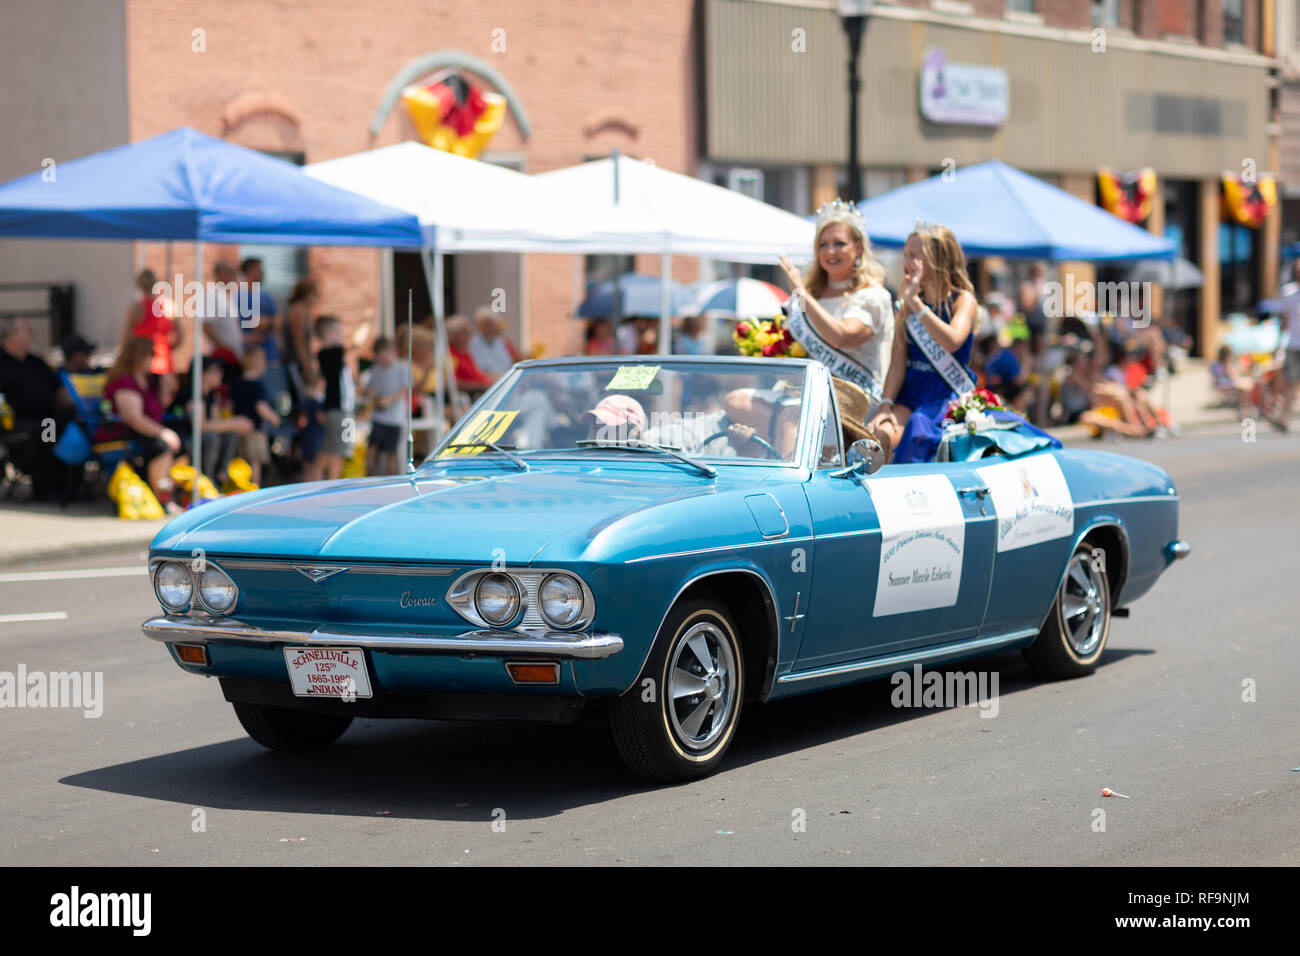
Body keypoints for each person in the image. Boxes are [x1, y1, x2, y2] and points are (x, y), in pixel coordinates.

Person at [867, 223, 979, 464]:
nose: (907, 262)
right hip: (911, 393)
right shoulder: (907, 301)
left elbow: (952, 341)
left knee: (919, 427)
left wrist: (915, 304)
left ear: (939, 260)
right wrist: (885, 406)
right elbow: (898, 363)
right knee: (878, 434)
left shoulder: (963, 299)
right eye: (905, 255)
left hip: (946, 392)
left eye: (914, 256)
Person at [777, 198, 894, 414]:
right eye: (823, 244)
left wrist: (800, 292)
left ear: (858, 247)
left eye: (839, 243)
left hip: (854, 400)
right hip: (809, 394)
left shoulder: (872, 296)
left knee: (789, 417)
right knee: (738, 401)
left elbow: (842, 338)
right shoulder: (812, 295)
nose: (830, 251)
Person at [99, 337, 182, 511]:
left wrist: (166, 388)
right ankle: (161, 497)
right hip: (124, 432)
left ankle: (169, 492)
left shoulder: (149, 381)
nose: (153, 359)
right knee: (161, 446)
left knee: (184, 444)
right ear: (137, 356)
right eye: (150, 355)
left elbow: (157, 410)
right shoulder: (124, 382)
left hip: (145, 430)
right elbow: (133, 418)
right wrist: (162, 433)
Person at [0, 317, 72, 499]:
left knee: (68, 427)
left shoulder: (36, 362)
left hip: (47, 417)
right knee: (45, 433)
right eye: (26, 331)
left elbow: (59, 389)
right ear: (12, 336)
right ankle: (44, 489)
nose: (31, 335)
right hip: (14, 421)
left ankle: (67, 487)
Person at [232, 348, 281, 486]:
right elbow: (261, 407)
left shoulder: (237, 383)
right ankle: (254, 486)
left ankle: (241, 485)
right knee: (255, 461)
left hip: (238, 428)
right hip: (255, 430)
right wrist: (274, 418)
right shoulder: (257, 386)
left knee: (242, 461)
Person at [314, 315, 355, 481]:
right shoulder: (331, 353)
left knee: (331, 448)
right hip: (340, 410)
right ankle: (332, 482)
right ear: (330, 334)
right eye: (338, 332)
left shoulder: (329, 355)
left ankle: (318, 476)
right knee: (339, 451)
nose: (341, 336)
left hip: (336, 409)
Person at [364, 336, 410, 476]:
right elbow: (370, 388)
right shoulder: (376, 370)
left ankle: (391, 474)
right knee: (373, 446)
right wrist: (376, 398)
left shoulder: (401, 368)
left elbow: (404, 389)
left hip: (394, 417)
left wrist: (388, 400)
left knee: (392, 450)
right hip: (379, 416)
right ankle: (370, 471)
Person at [122, 268, 181, 376]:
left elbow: (126, 338)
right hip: (164, 362)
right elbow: (179, 338)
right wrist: (165, 348)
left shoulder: (136, 308)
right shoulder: (169, 306)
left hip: (142, 362)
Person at [282, 276, 319, 404]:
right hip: (295, 362)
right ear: (308, 295)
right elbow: (299, 341)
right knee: (301, 400)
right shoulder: (299, 310)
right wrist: (307, 366)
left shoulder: (301, 310)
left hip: (297, 361)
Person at [239, 258, 280, 363]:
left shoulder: (266, 297)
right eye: (260, 271)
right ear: (250, 271)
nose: (262, 274)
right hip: (245, 355)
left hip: (268, 354)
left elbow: (277, 322)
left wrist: (268, 322)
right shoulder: (236, 297)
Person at [1279, 258, 1300, 431]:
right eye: (1297, 269)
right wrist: (1279, 342)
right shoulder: (1288, 292)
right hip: (1293, 343)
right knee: (1290, 382)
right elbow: (1284, 320)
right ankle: (1284, 418)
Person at [469, 308, 520, 377]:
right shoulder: (472, 343)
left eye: (491, 323)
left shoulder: (502, 341)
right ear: (479, 325)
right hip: (487, 381)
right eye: (486, 324)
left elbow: (513, 360)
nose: (489, 327)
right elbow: (478, 368)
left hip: (506, 377)